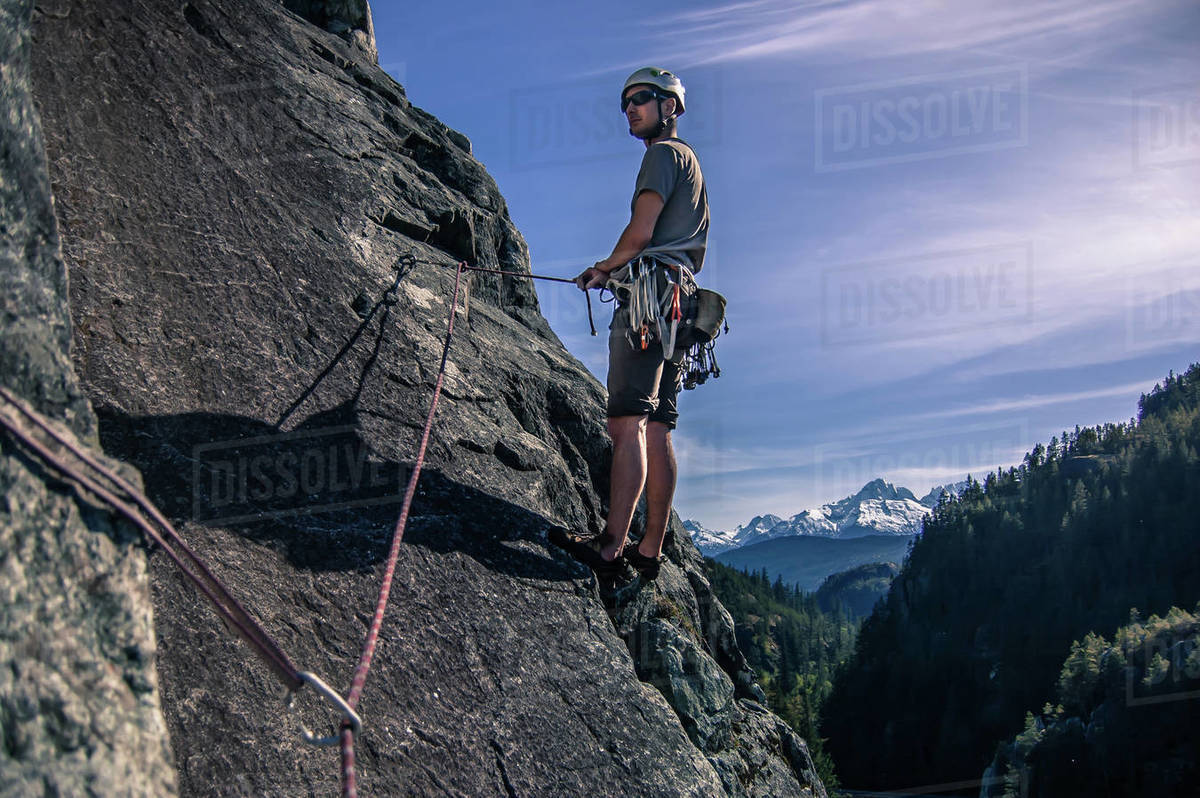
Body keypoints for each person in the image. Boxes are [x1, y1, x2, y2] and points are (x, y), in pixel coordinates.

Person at [566, 67, 709, 582]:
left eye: (643, 99)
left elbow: (642, 231)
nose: (631, 108)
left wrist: (605, 268)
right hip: (682, 304)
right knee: (659, 429)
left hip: (650, 302)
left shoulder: (662, 156)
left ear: (669, 106)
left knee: (627, 424)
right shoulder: (689, 163)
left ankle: (610, 547)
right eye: (625, 101)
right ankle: (649, 550)